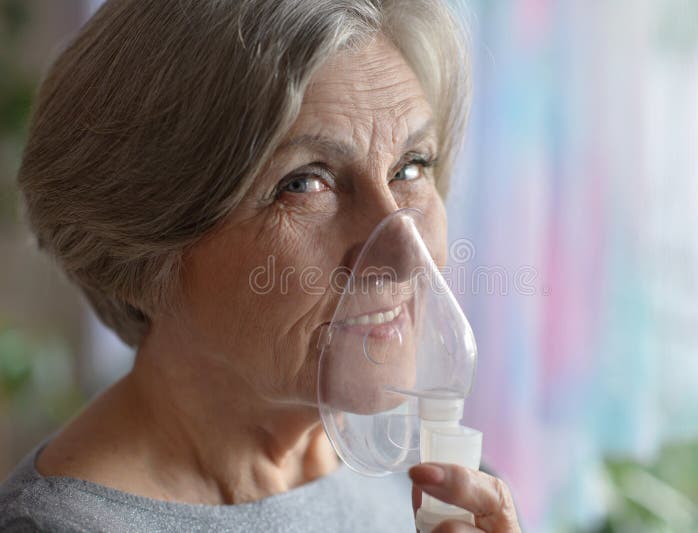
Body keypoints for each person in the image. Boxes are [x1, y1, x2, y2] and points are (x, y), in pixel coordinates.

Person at [0, 1, 522, 531]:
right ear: (141, 240)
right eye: (303, 183)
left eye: (411, 166)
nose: (405, 253)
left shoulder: (435, 481)